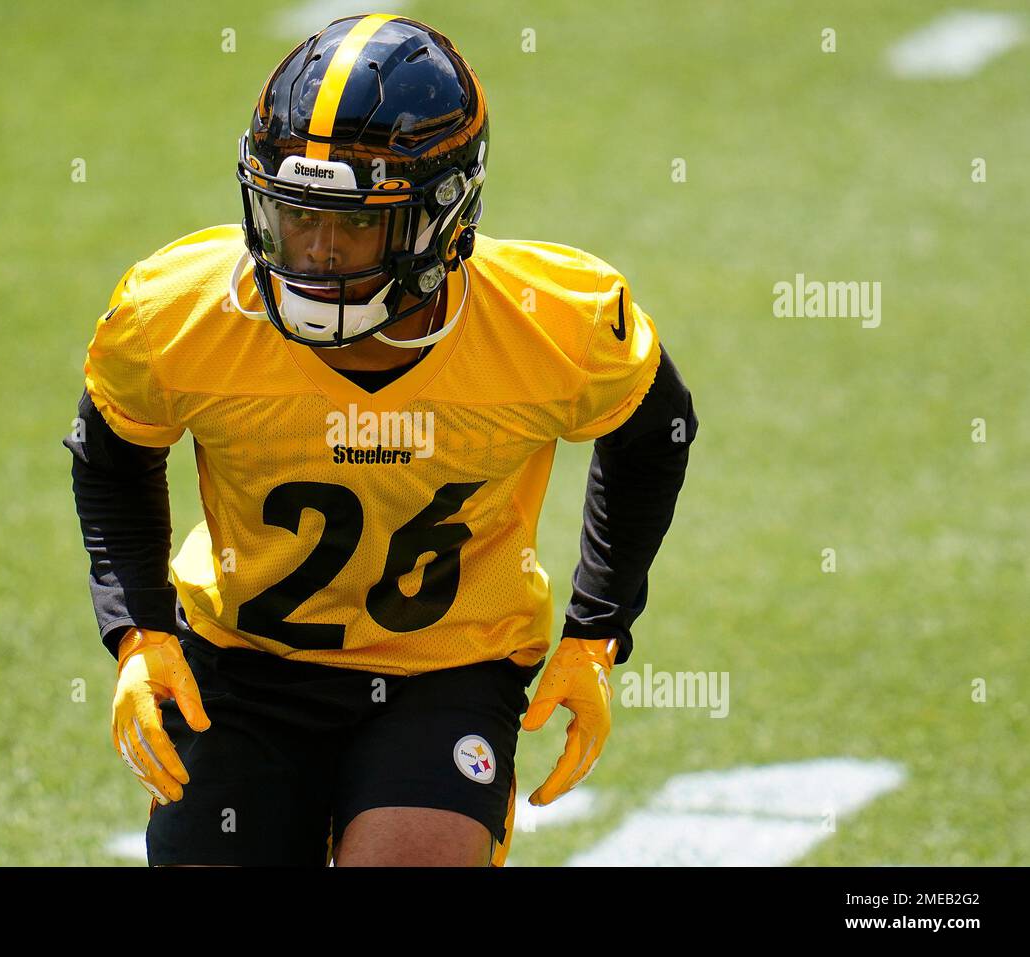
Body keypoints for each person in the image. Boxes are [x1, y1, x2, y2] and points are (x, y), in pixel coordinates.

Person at [64, 13, 698, 867]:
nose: (317, 253)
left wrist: (596, 632)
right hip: (243, 663)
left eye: (355, 223)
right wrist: (139, 632)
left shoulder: (553, 322)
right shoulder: (182, 310)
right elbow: (113, 453)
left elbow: (656, 431)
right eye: (295, 216)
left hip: (445, 669)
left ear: (445, 214)